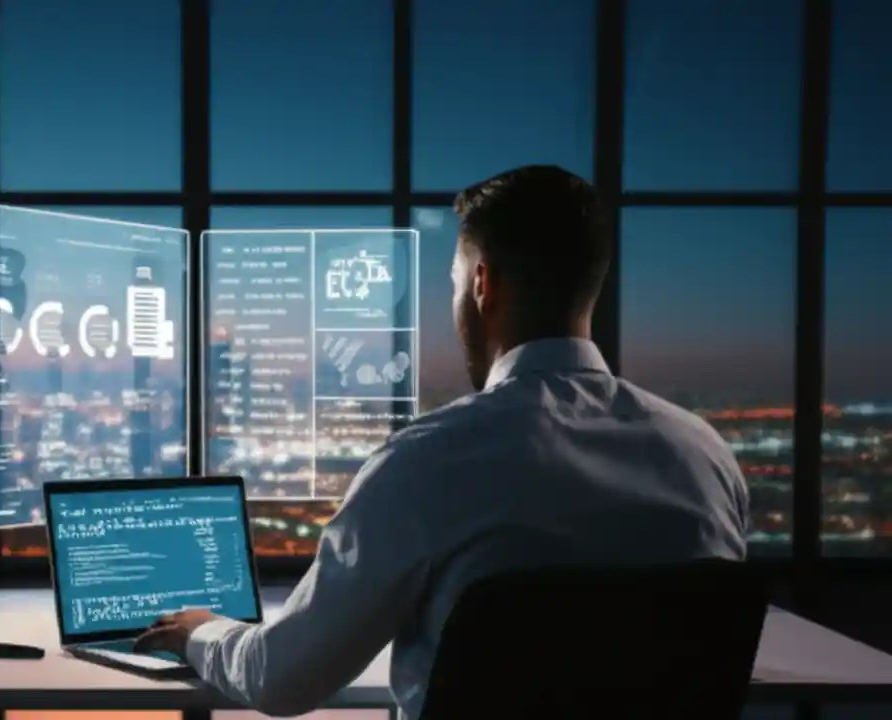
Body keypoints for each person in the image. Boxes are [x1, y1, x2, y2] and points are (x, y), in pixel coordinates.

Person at [134, 165, 749, 719]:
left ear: (482, 284)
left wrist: (201, 632)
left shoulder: (429, 459)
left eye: (454, 283)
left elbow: (283, 680)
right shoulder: (703, 455)